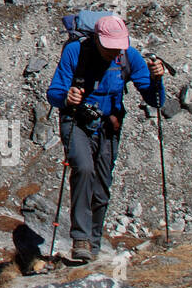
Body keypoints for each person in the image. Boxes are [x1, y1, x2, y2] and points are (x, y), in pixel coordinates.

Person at [46, 14, 165, 263]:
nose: (114, 52)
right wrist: (67, 98)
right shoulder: (75, 52)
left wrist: (157, 79)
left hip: (108, 127)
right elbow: (54, 92)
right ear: (97, 40)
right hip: (76, 122)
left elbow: (155, 101)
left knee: (101, 189)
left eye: (118, 47)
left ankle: (94, 245)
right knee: (84, 169)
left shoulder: (128, 56)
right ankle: (80, 239)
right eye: (110, 47)